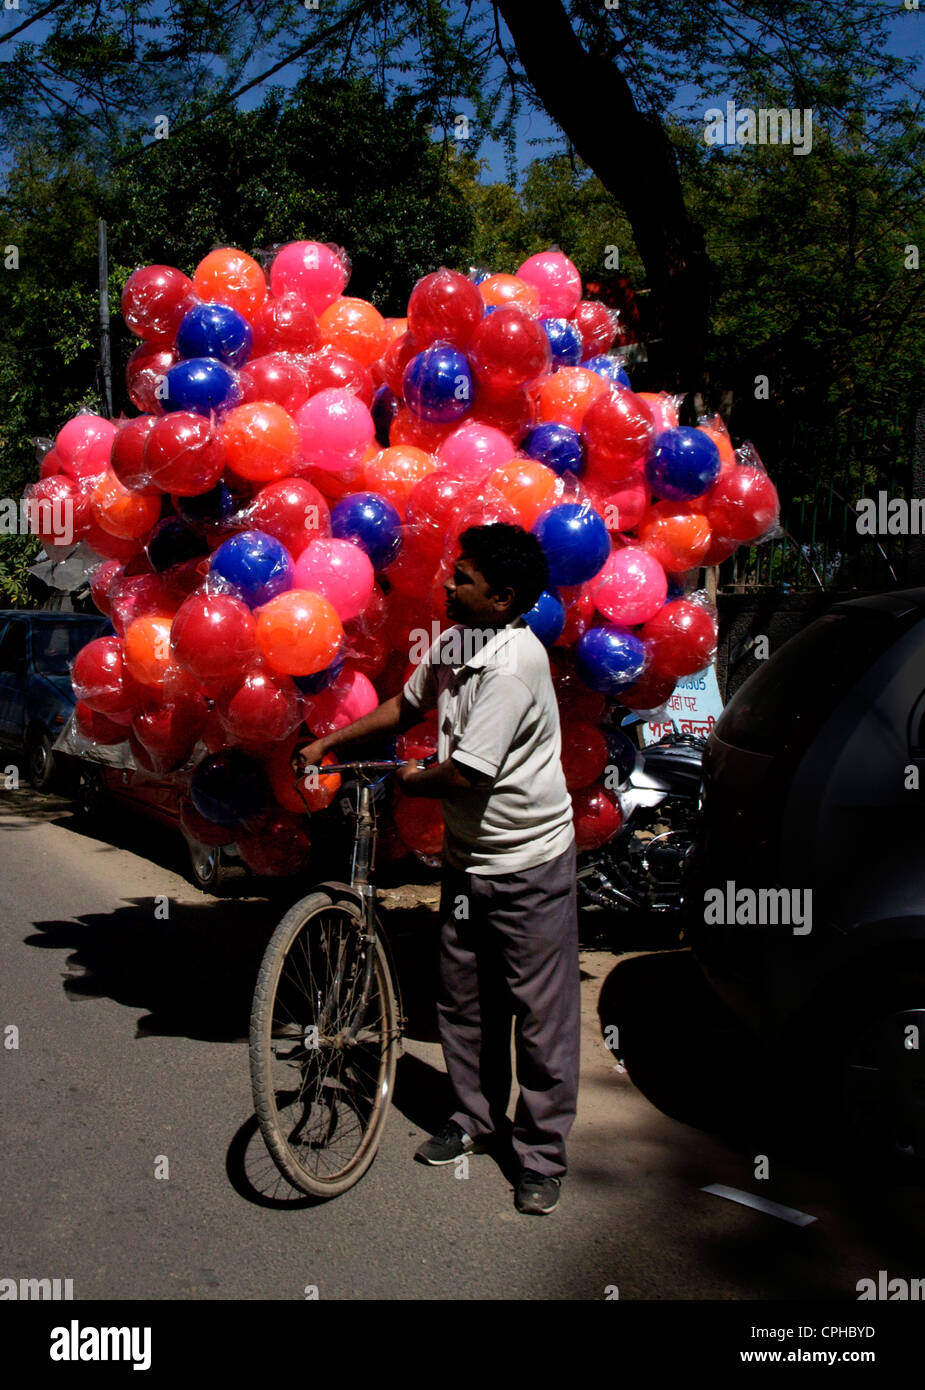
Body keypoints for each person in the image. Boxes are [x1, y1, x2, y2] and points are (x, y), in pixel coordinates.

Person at [293, 523, 580, 1215]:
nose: (448, 583)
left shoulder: (514, 664)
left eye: (464, 578)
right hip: (466, 862)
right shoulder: (455, 643)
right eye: (453, 572)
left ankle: (539, 1156)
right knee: (463, 999)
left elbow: (462, 775)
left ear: (503, 596)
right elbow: (407, 705)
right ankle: (474, 1120)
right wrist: (330, 743)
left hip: (525, 864)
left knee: (539, 1016)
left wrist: (395, 780)